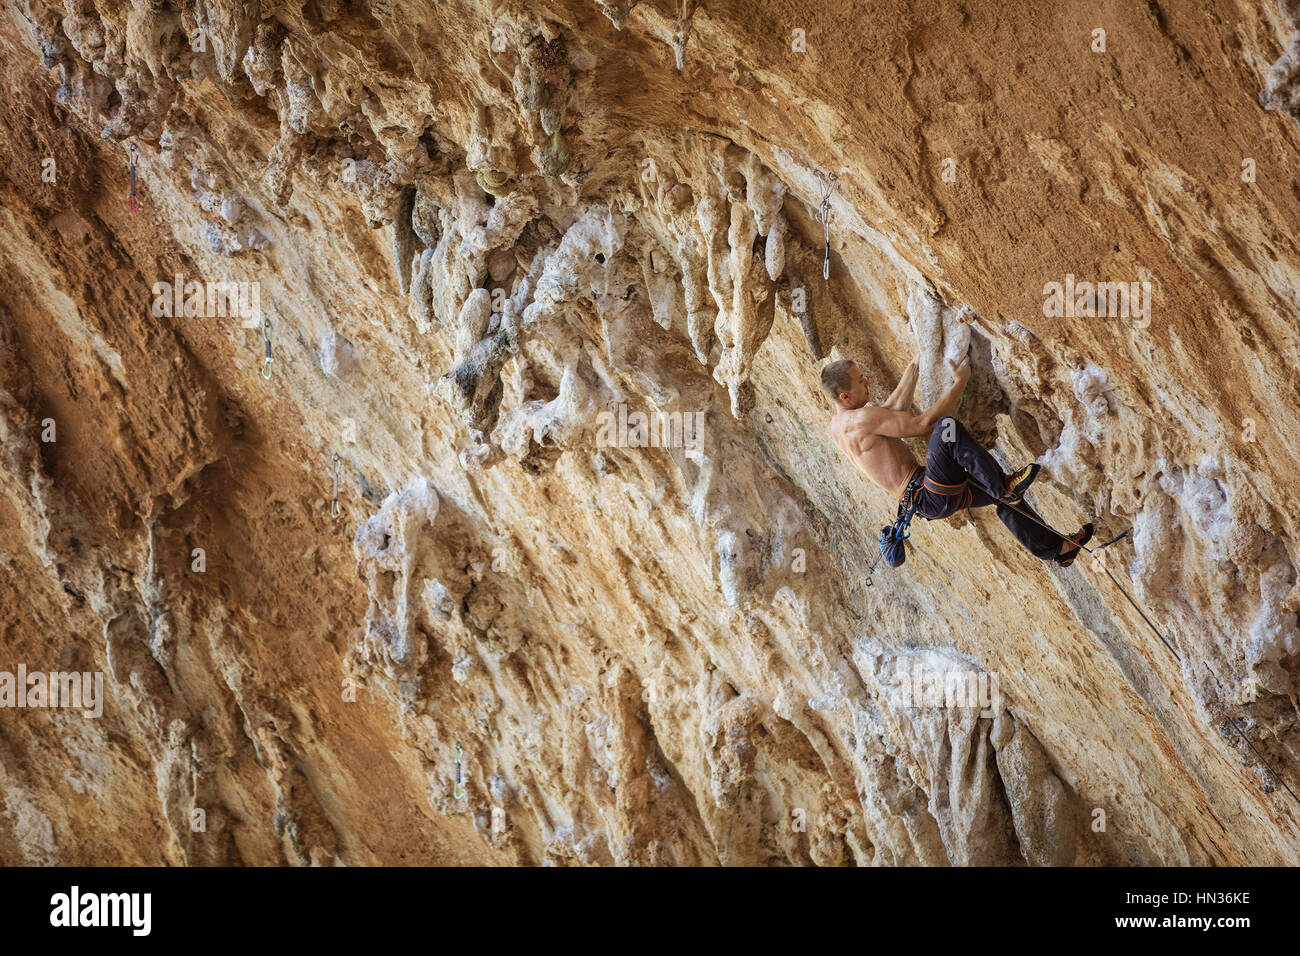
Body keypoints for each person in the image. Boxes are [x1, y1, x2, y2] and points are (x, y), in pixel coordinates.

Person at [824, 354, 1092, 565]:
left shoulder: (840, 426)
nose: (867, 381)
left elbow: (891, 411)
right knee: (945, 429)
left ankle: (1058, 549)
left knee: (1000, 498)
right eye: (860, 381)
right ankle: (1003, 487)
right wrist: (960, 383)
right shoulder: (860, 419)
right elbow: (922, 424)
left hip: (929, 500)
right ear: (844, 396)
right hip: (929, 491)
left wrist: (915, 365)